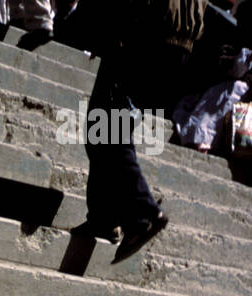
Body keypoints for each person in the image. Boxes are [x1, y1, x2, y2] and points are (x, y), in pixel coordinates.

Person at [74, 0, 207, 262]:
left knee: (108, 129)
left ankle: (142, 211)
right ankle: (104, 217)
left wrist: (106, 29)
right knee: (109, 127)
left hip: (144, 32)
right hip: (176, 38)